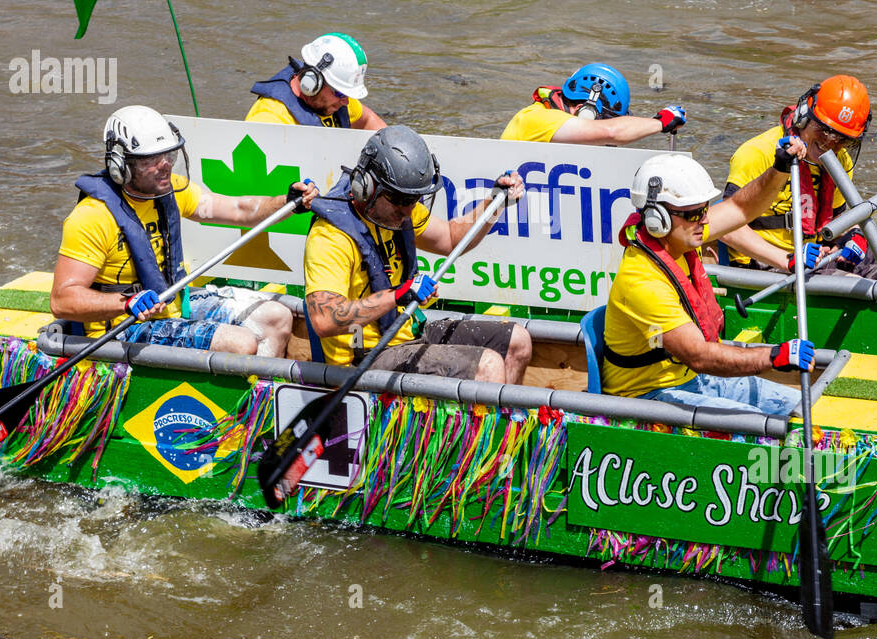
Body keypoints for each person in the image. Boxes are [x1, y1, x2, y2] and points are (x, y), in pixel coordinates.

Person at [52, 106, 318, 356]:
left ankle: (259, 397)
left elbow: (239, 209)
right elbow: (62, 300)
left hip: (175, 305)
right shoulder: (91, 217)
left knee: (276, 317)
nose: (165, 165)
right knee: (241, 342)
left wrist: (286, 202)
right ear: (119, 165)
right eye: (152, 160)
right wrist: (124, 303)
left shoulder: (174, 190)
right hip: (124, 327)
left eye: (169, 155)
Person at [303, 125, 532, 382]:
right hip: (364, 357)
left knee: (518, 341)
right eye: (400, 200)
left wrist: (494, 202)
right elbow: (323, 320)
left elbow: (451, 238)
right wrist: (398, 295)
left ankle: (506, 419)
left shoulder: (401, 207)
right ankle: (478, 420)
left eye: (414, 200)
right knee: (487, 366)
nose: (407, 210)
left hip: (408, 332)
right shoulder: (330, 236)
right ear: (366, 187)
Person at [601, 149, 816, 417]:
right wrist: (773, 356)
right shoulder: (641, 280)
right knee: (757, 423)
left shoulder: (683, 233)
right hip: (646, 395)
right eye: (694, 213)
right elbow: (700, 356)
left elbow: (741, 207)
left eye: (705, 209)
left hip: (691, 378)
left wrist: (780, 168)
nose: (704, 219)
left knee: (804, 407)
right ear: (658, 219)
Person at [716, 75, 877, 278]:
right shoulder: (756, 152)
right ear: (804, 116)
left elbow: (839, 218)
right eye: (825, 131)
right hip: (767, 262)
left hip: (815, 253)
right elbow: (725, 229)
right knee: (853, 283)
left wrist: (854, 235)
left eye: (843, 139)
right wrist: (787, 259)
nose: (830, 144)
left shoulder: (840, 159)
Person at [501, 62, 686, 146]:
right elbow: (611, 132)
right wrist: (661, 122)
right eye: (604, 119)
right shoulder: (539, 118)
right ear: (587, 111)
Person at [245, 33, 386, 130]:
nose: (347, 102)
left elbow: (368, 122)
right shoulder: (268, 119)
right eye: (341, 93)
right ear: (312, 83)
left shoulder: (337, 100)